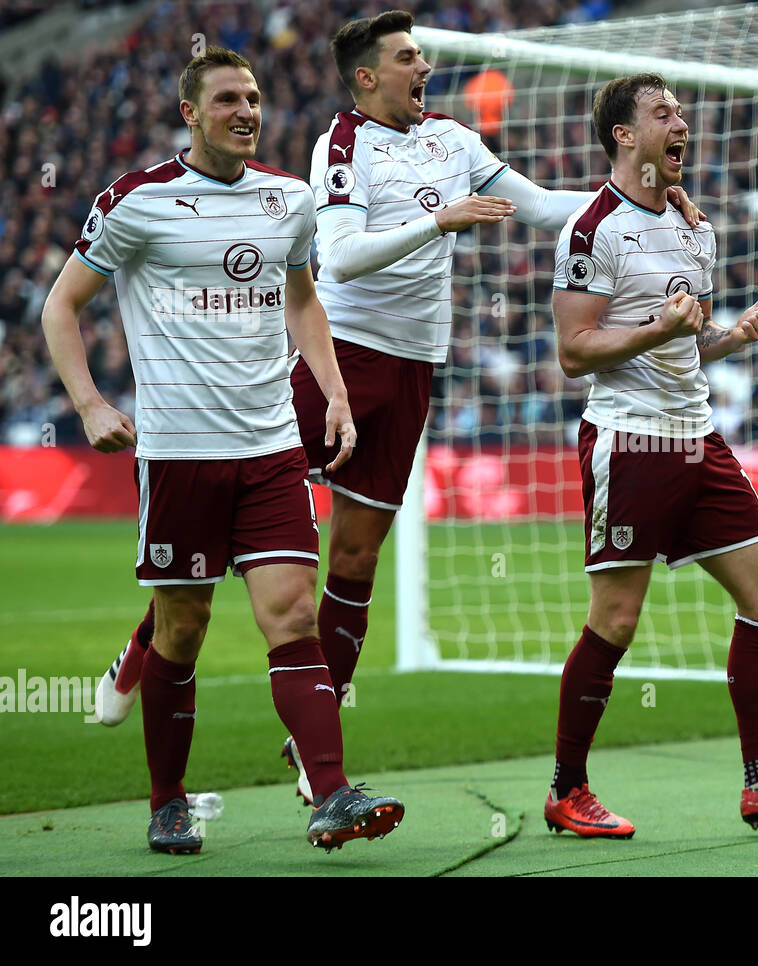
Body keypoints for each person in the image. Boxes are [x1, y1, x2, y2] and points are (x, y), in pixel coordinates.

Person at [91, 10, 703, 809]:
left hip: (414, 368)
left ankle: (315, 758)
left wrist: (637, 196)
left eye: (423, 55)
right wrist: (438, 221)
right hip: (338, 356)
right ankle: (146, 649)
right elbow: (337, 254)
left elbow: (547, 209)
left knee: (355, 559)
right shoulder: (341, 148)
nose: (426, 68)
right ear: (368, 77)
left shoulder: (452, 139)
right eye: (410, 57)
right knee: (219, 528)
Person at [43, 46, 402, 853]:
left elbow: (303, 299)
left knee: (291, 613)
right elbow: (60, 307)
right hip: (178, 453)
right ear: (191, 114)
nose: (247, 111)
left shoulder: (289, 200)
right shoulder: (136, 202)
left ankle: (333, 795)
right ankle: (167, 800)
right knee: (184, 627)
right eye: (229, 99)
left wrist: (335, 389)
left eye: (254, 98)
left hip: (271, 446)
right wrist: (91, 402)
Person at [543, 73, 758, 838]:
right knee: (615, 620)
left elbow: (687, 345)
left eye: (680, 112)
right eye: (662, 113)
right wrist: (657, 329)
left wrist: (729, 337)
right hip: (631, 441)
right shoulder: (593, 231)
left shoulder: (694, 228)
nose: (680, 122)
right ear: (624, 134)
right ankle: (566, 789)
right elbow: (574, 352)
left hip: (698, 439)